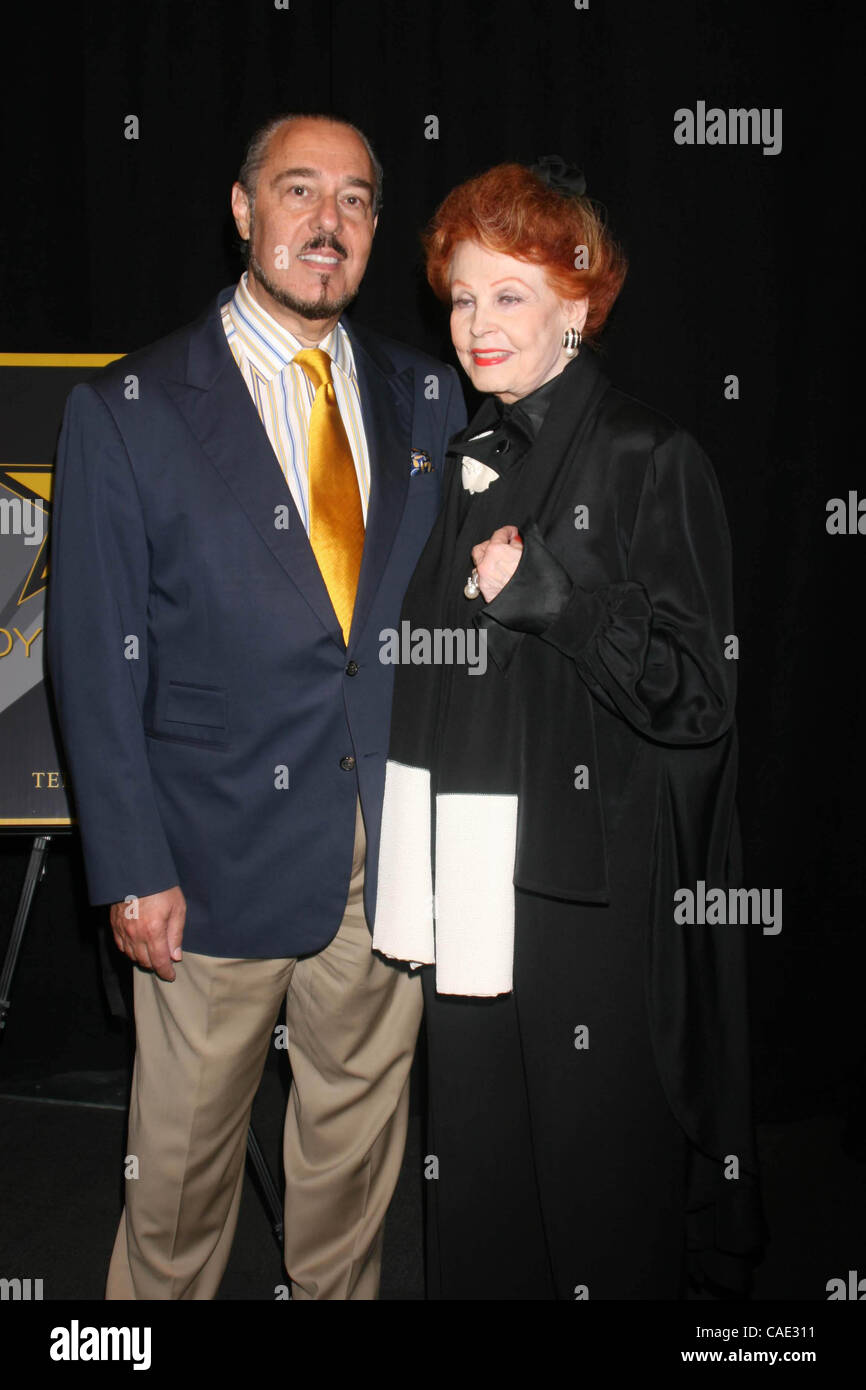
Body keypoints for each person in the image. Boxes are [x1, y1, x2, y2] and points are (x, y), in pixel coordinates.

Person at [46, 112, 466, 1300]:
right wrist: (131, 866)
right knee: (177, 1188)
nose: (328, 222)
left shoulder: (429, 395)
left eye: (354, 200)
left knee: (354, 1165)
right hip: (206, 864)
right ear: (242, 210)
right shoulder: (128, 407)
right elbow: (90, 659)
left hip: (385, 858)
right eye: (298, 191)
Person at [372, 157, 766, 1299]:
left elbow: (701, 693)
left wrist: (562, 602)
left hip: (588, 909)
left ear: (578, 307)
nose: (476, 324)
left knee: (597, 1206)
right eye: (462, 296)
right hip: (472, 884)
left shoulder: (648, 455)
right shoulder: (472, 457)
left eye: (510, 295)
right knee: (481, 1191)